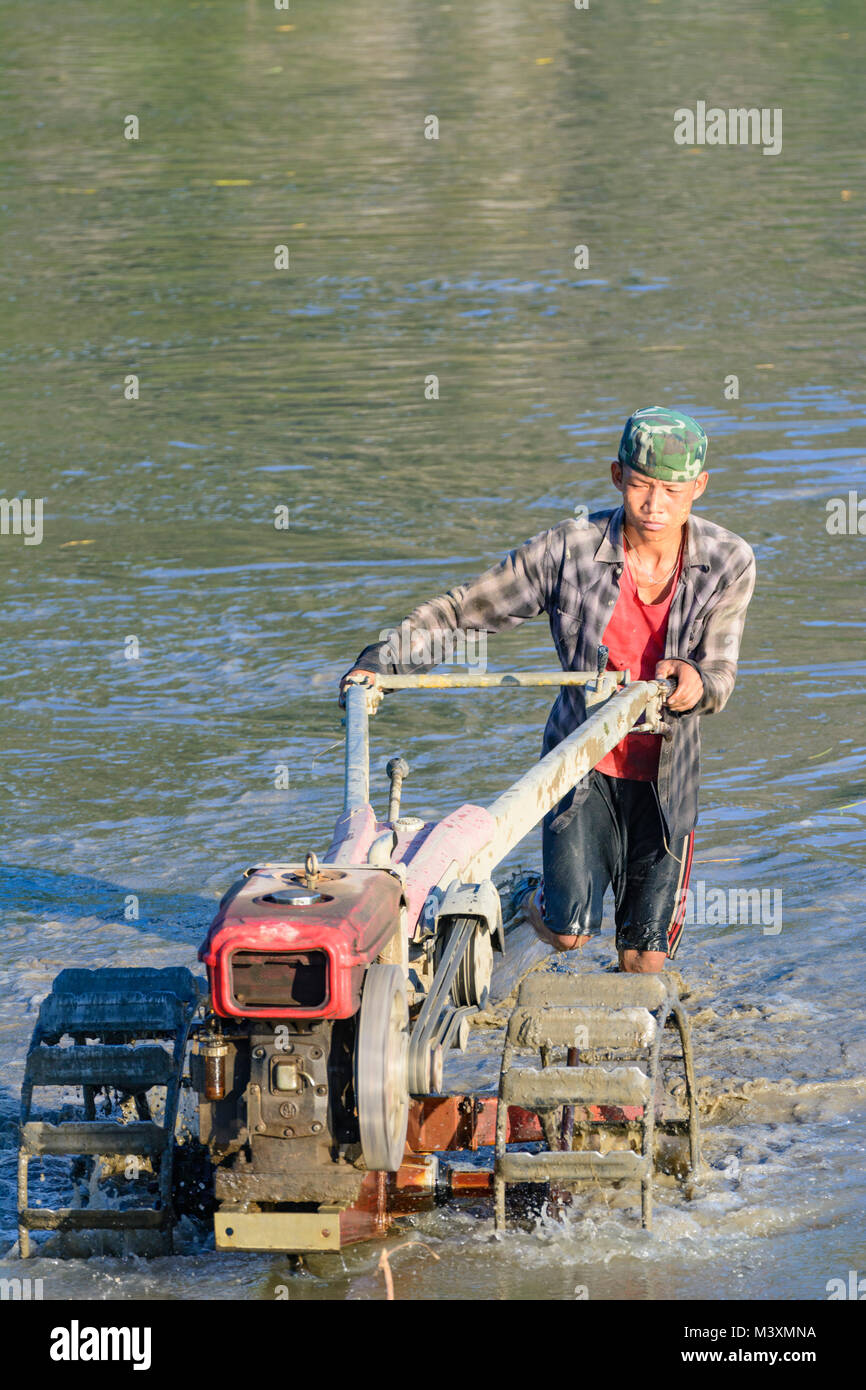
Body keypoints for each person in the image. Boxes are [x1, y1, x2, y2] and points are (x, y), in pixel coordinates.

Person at [339, 406, 756, 974]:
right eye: (640, 486)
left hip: (667, 777)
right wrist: (383, 660)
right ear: (617, 478)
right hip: (579, 762)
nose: (655, 505)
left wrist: (693, 685)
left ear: (699, 488)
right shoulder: (571, 549)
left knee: (645, 958)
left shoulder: (729, 560)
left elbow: (721, 674)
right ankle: (530, 899)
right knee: (569, 935)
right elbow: (468, 610)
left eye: (671, 490)